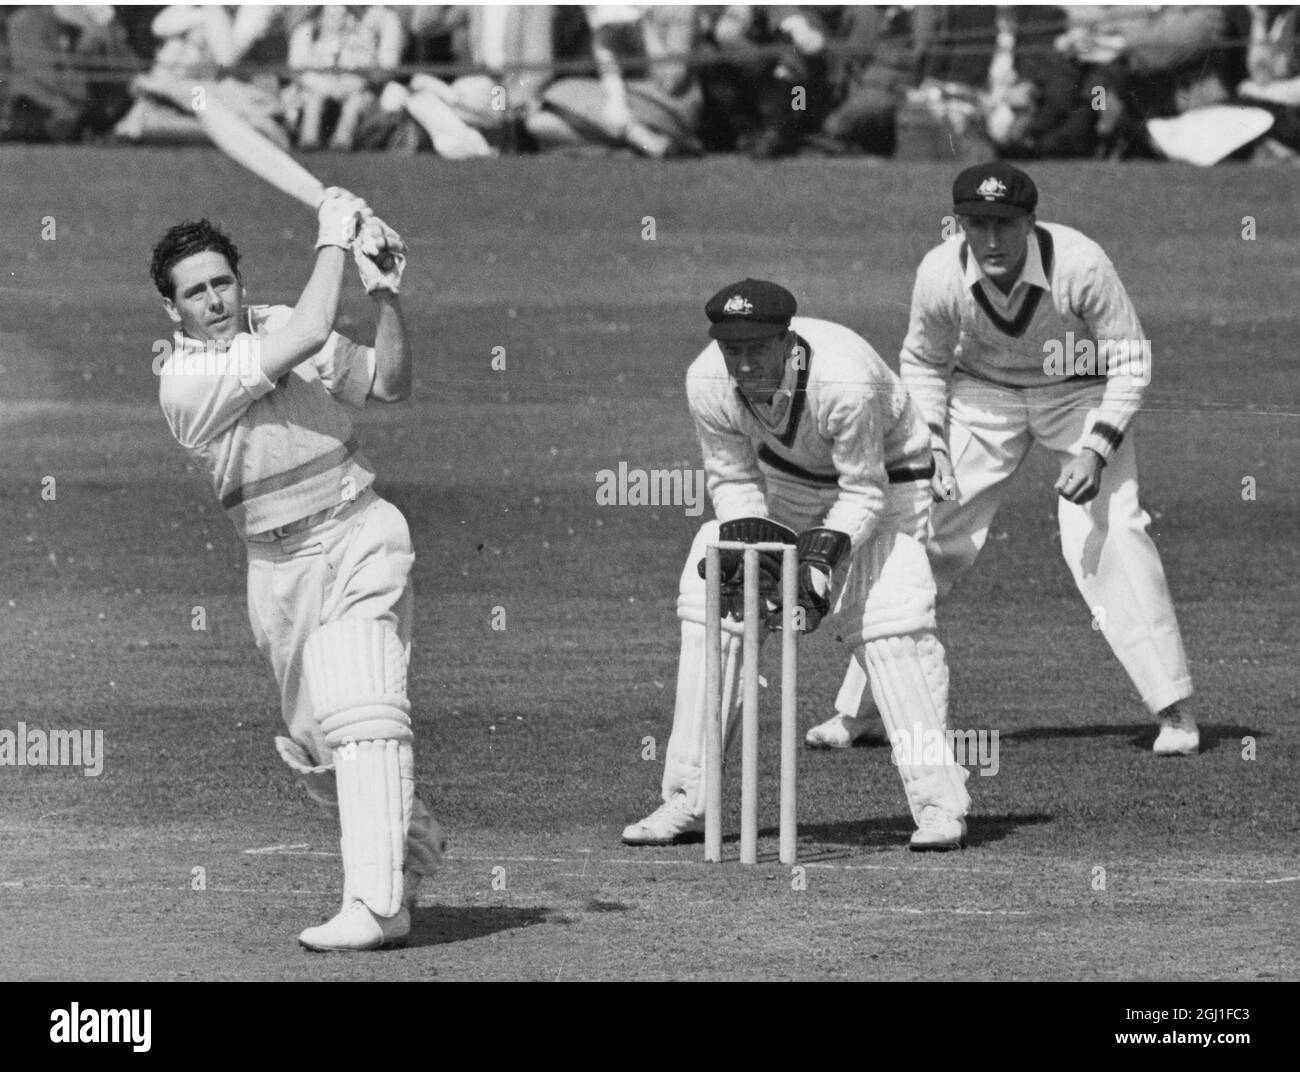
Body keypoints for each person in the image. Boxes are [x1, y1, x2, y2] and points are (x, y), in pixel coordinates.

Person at [807, 162, 1197, 757]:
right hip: (982, 395)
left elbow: (1130, 360)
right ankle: (865, 709)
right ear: (960, 223)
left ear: (1030, 222)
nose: (991, 240)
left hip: (1079, 391)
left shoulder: (1081, 264)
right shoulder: (940, 272)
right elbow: (923, 361)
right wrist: (931, 441)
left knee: (1110, 531)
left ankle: (1174, 709)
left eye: (1005, 225)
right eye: (977, 223)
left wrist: (1096, 449)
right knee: (921, 534)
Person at [151, 194, 445, 951]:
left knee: (361, 696)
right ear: (172, 310)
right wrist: (333, 238)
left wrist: (386, 297)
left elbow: (389, 383)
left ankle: (374, 909)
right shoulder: (186, 379)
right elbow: (311, 327)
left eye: (223, 282)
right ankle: (406, 857)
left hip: (359, 529)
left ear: (238, 283)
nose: (215, 300)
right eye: (196, 292)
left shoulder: (281, 324)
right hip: (277, 568)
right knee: (319, 744)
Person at [622, 279, 970, 853]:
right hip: (788, 482)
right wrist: (749, 546)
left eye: (757, 348)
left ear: (788, 341)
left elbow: (863, 490)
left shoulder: (843, 379)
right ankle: (688, 797)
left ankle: (939, 805)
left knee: (892, 625)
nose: (742, 362)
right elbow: (732, 479)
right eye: (731, 349)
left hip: (889, 480)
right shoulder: (706, 379)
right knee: (712, 593)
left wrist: (820, 560)